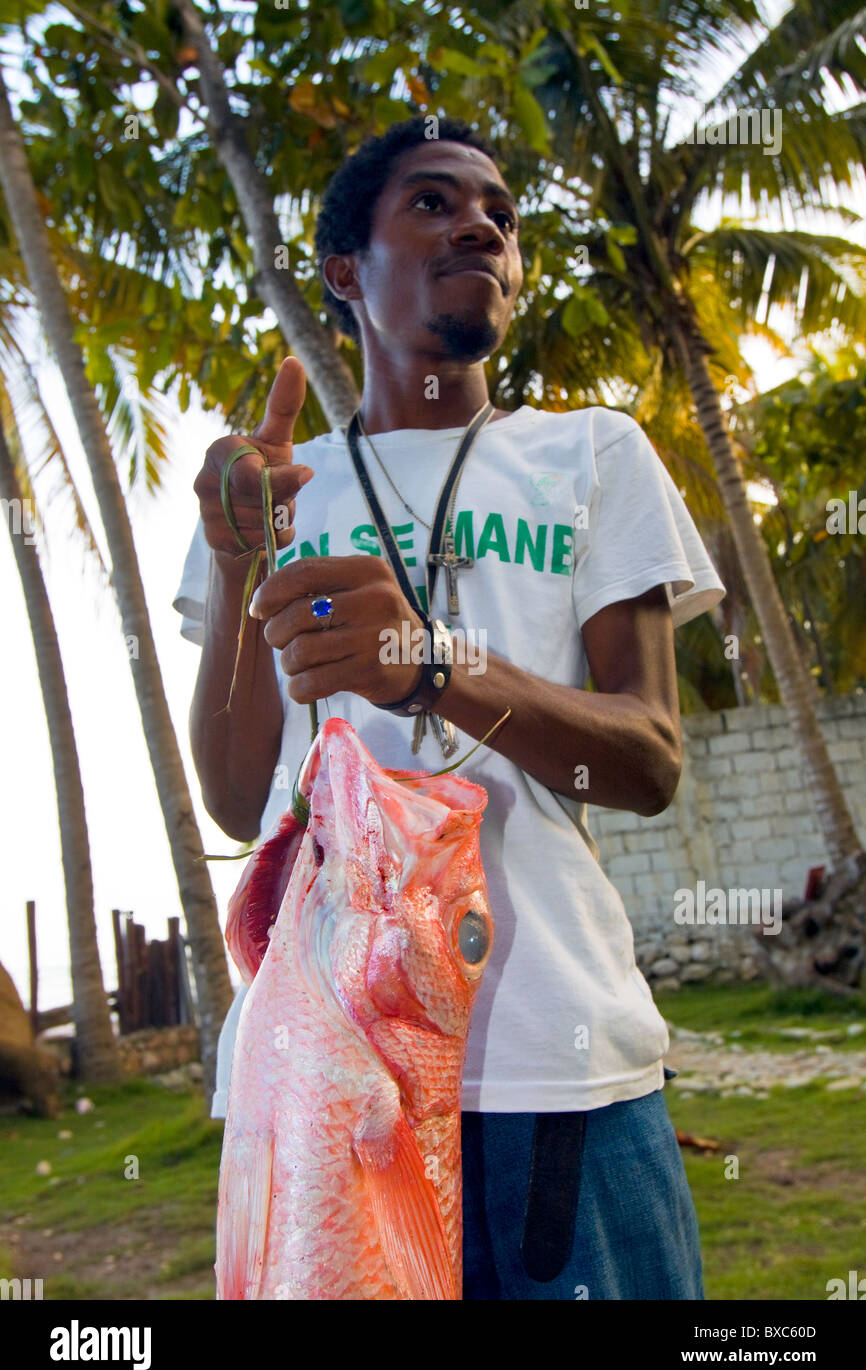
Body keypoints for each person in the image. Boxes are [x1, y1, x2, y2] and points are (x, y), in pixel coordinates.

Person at [174, 115, 724, 1300]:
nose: (480, 221)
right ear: (341, 271)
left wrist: (428, 664)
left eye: (499, 214)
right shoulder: (276, 489)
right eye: (431, 202)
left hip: (556, 1064)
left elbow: (646, 760)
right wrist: (234, 565)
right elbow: (230, 797)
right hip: (322, 1079)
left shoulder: (590, 455)